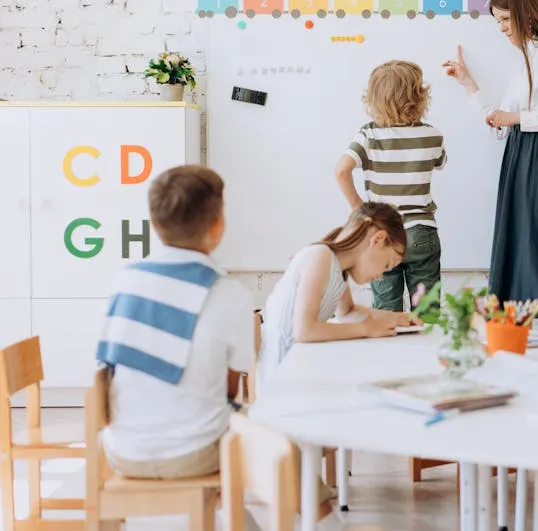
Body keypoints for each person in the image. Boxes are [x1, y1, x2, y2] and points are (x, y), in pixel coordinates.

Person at [443, 0, 538, 331]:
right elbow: (502, 121)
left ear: (524, 13)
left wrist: (519, 118)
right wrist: (468, 84)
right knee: (523, 264)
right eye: (499, 22)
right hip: (521, 157)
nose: (503, 29)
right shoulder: (528, 56)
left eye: (506, 20)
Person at [97, 165, 254, 480]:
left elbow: (107, 366)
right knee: (277, 432)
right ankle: (315, 514)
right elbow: (232, 388)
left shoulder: (125, 280)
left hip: (123, 452)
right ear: (218, 225)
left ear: (154, 224)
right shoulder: (229, 292)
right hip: (197, 451)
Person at [257, 202, 416, 391]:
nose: (382, 275)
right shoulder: (320, 257)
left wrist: (395, 318)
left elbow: (347, 311)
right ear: (378, 240)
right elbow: (304, 331)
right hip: (281, 376)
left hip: (299, 366)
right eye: (388, 264)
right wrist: (366, 328)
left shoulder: (338, 267)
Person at [335, 60, 446, 312]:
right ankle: (426, 351)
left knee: (385, 308)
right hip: (421, 232)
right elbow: (440, 162)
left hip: (381, 233)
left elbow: (341, 171)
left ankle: (389, 350)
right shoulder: (432, 135)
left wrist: (359, 209)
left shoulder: (367, 136)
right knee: (427, 310)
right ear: (419, 98)